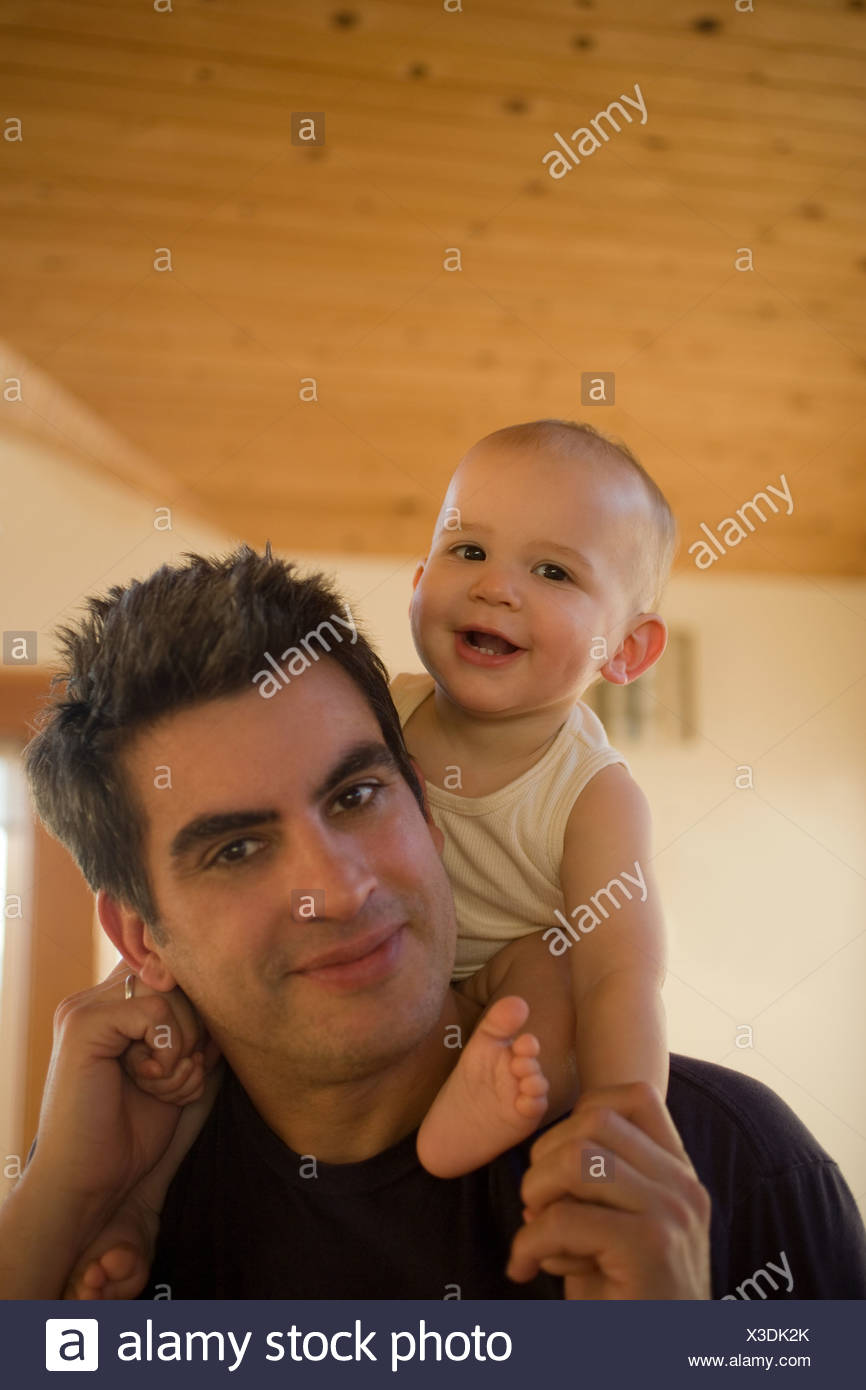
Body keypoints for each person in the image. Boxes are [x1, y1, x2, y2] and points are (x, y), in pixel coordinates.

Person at [1, 547, 864, 1301]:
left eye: (357, 796)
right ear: (141, 940)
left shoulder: (735, 1169)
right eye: (236, 850)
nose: (338, 889)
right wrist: (61, 1204)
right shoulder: (100, 1241)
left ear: (429, 813)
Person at [399, 419, 674, 1176]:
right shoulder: (373, 712)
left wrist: (629, 1125)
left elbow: (623, 976)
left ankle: (481, 1101)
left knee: (557, 968)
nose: (496, 586)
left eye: (553, 573)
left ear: (625, 650)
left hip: (495, 993)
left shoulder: (593, 794)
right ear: (419, 581)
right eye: (468, 551)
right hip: (376, 960)